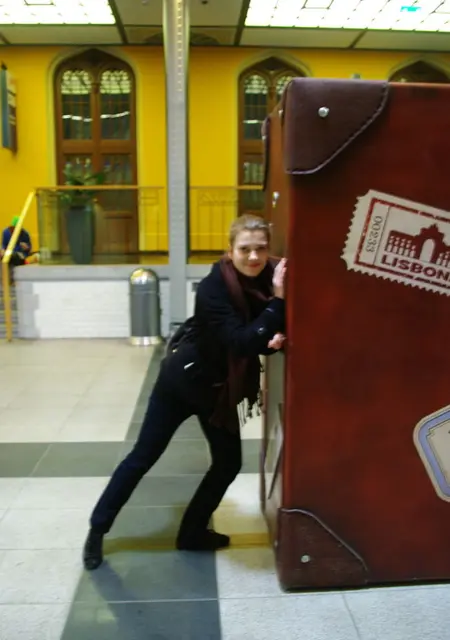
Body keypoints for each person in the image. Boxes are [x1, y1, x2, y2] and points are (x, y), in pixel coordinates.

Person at [82, 213, 287, 571]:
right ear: (230, 251)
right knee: (143, 457)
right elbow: (241, 341)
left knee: (227, 463)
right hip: (181, 383)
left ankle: (192, 532)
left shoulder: (268, 277)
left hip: (219, 390)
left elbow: (258, 337)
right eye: (244, 249)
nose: (253, 257)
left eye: (260, 248)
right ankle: (97, 530)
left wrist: (272, 338)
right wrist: (278, 304)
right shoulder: (213, 287)